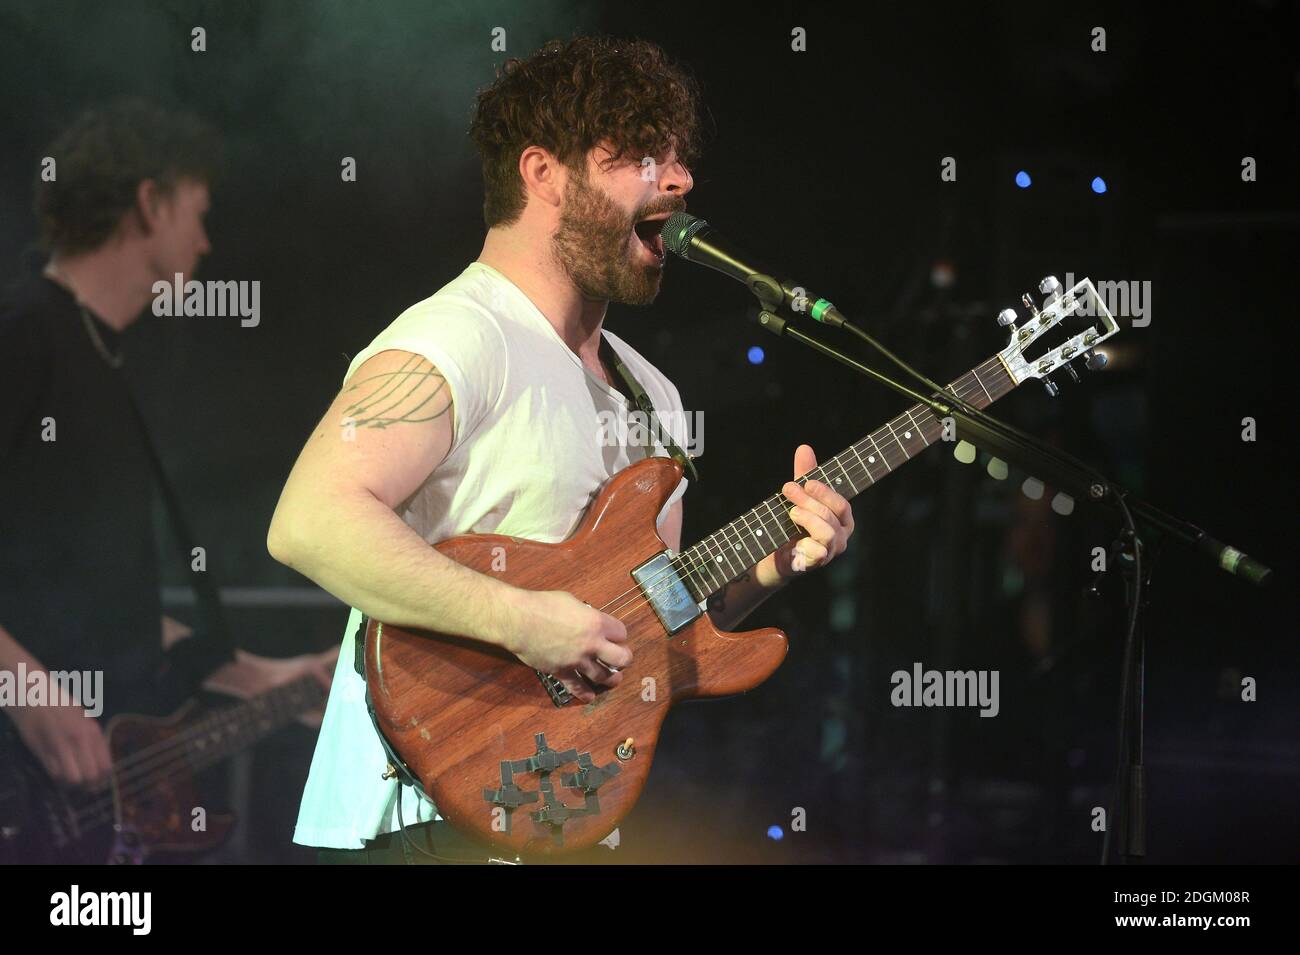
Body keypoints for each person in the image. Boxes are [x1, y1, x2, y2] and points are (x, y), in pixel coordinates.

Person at [268, 36, 855, 864]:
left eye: (680, 158)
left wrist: (776, 565)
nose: (680, 180)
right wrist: (523, 619)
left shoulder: (653, 396)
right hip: (418, 819)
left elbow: (652, 636)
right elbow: (309, 521)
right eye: (643, 155)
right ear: (543, 173)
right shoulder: (457, 336)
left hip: (563, 811)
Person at [0, 99, 335, 804]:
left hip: (83, 812)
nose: (206, 241)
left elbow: (103, 605)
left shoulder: (100, 357)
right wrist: (25, 687)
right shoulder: (24, 332)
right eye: (198, 211)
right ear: (150, 203)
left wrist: (265, 675)